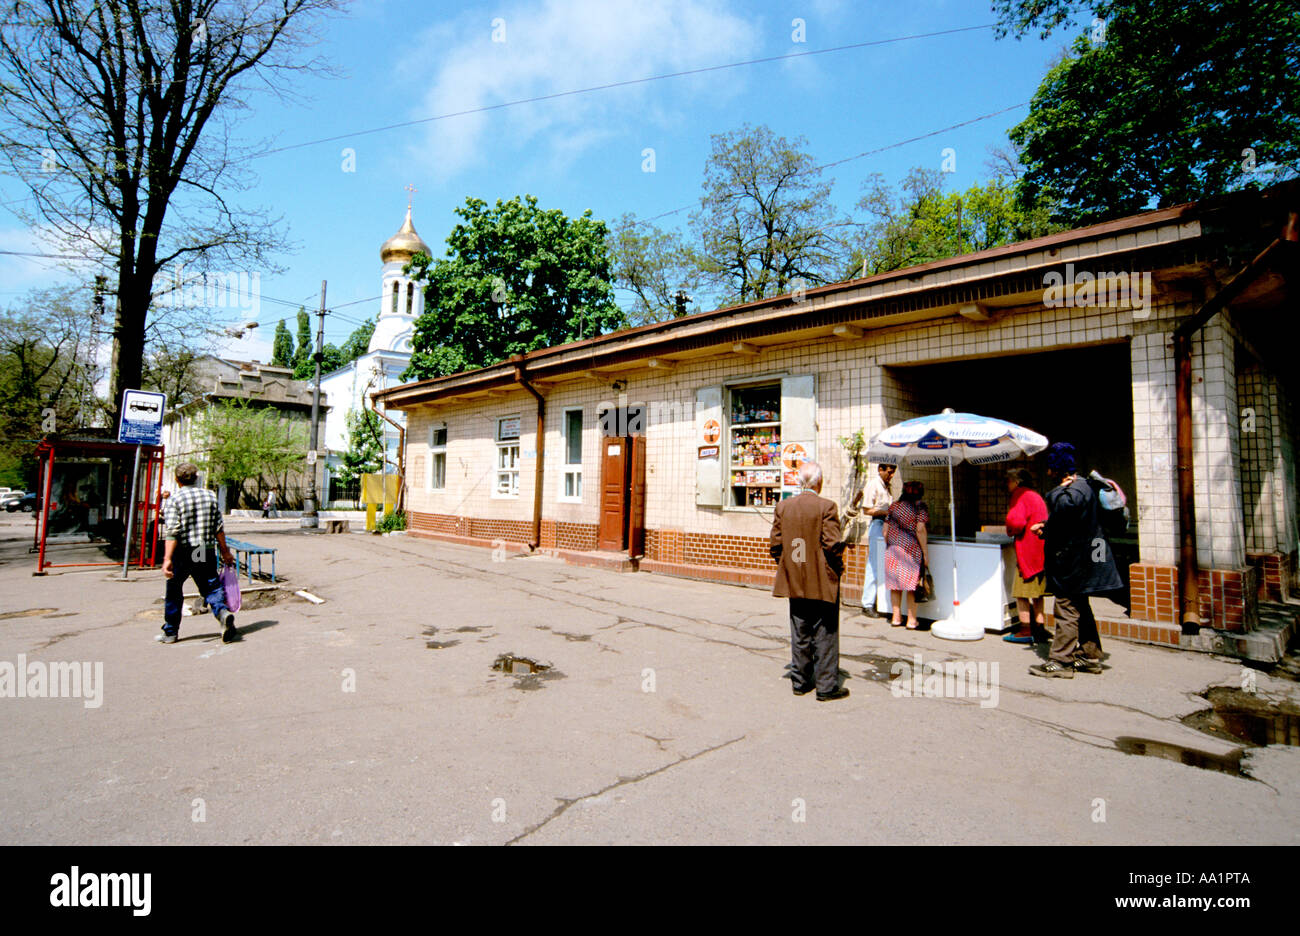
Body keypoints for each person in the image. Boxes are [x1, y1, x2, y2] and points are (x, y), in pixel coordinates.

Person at [1029, 442, 1121, 678]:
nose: (1047, 470)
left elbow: (1065, 524)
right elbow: (1069, 523)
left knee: (1066, 607)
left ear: (1056, 469)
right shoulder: (1085, 486)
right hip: (1087, 556)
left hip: (1072, 562)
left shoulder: (1067, 493)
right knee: (1081, 605)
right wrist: (1047, 527)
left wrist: (1045, 528)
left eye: (1050, 466)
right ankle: (1090, 656)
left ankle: (1061, 661)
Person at [770, 461, 850, 701]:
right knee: (825, 633)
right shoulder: (826, 506)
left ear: (799, 482)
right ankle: (826, 686)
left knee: (800, 630)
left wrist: (795, 565)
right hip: (823, 580)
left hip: (796, 579)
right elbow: (832, 545)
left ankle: (801, 681)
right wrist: (837, 569)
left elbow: (777, 545)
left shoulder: (784, 507)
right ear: (820, 482)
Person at [162, 462, 238, 645]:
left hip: (182, 550)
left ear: (177, 479)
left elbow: (173, 531)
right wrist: (225, 552)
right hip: (202, 549)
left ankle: (171, 632)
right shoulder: (210, 496)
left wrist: (167, 559)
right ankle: (221, 612)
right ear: (196, 478)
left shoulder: (175, 499)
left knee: (174, 589)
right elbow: (218, 528)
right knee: (210, 586)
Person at [843, 463, 898, 617]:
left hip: (887, 524)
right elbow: (867, 509)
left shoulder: (887, 486)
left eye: (893, 472)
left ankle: (880, 601)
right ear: (880, 470)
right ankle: (867, 604)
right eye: (889, 472)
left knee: (883, 563)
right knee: (874, 563)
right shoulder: (873, 484)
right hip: (878, 524)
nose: (891, 475)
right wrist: (886, 511)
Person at [1003, 467, 1050, 644]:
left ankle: (1025, 630)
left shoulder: (1020, 494)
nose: (1007, 484)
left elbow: (1015, 521)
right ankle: (1040, 628)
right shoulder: (1035, 495)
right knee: (1037, 594)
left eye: (1008, 481)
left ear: (1017, 482)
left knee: (1021, 592)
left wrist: (1009, 529)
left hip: (1027, 550)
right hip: (1040, 549)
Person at [884, 480, 930, 629]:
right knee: (912, 586)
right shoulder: (920, 507)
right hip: (911, 550)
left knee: (895, 586)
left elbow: (885, 531)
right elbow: (920, 529)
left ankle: (896, 618)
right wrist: (925, 552)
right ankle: (911, 620)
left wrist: (891, 544)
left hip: (892, 549)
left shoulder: (894, 507)